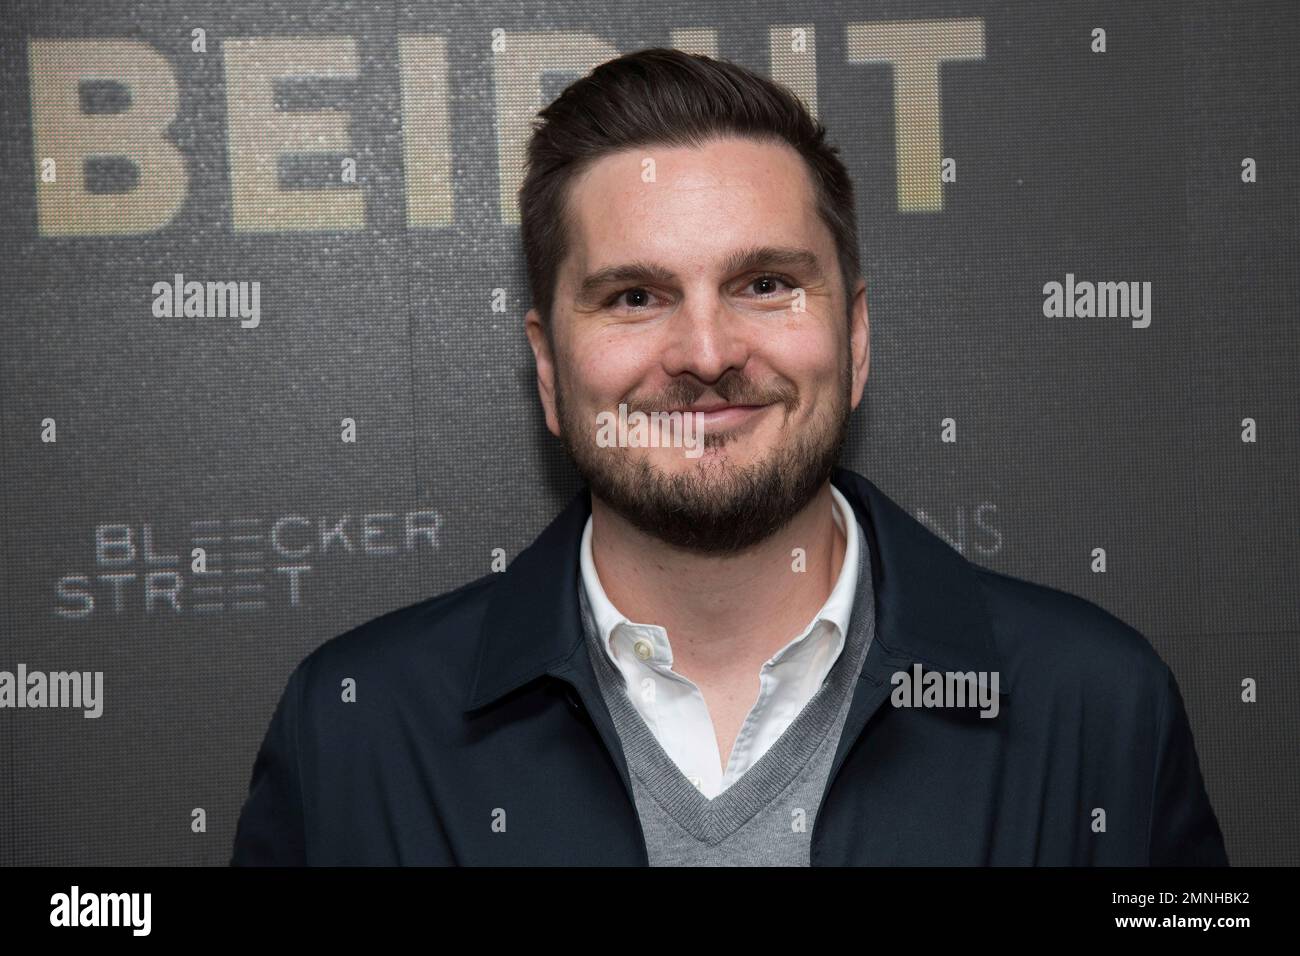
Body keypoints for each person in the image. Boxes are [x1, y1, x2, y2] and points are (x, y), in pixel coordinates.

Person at [231, 47, 1227, 866]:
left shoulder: (1094, 703)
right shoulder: (354, 729)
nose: (706, 354)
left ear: (855, 336)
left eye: (763, 283)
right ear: (547, 366)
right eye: (633, 296)